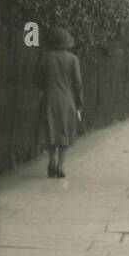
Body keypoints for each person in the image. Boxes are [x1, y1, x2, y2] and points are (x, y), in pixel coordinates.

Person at [34, 27, 83, 179]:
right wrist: (80, 103)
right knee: (65, 132)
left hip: (48, 99)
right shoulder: (73, 59)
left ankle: (52, 159)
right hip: (67, 101)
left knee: (51, 129)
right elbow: (78, 84)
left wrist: (46, 87)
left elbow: (36, 80)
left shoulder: (45, 57)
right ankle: (61, 166)